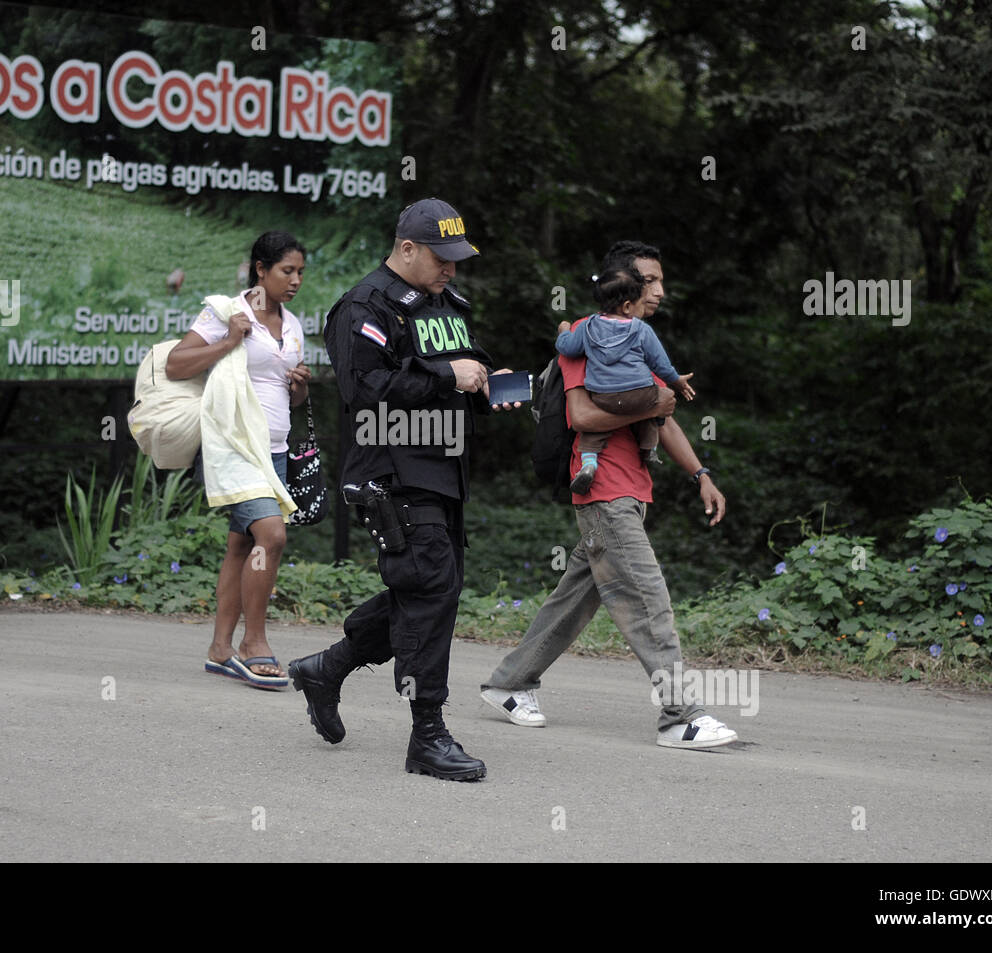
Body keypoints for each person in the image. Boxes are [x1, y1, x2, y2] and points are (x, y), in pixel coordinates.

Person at [290, 198, 521, 782]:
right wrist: (448, 375)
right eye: (441, 259)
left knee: (426, 589)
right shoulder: (364, 306)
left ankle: (328, 667)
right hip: (391, 469)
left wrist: (487, 386)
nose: (450, 270)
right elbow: (363, 389)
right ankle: (428, 734)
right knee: (430, 588)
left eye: (457, 260)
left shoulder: (446, 303)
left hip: (442, 467)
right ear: (407, 248)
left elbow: (462, 368)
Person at [480, 240, 738, 750]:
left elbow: (662, 418)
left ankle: (509, 684)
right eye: (650, 281)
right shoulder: (589, 336)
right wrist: (650, 405)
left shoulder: (638, 339)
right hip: (602, 490)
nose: (660, 291)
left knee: (575, 598)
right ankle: (680, 715)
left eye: (662, 281)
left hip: (632, 491)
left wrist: (701, 474)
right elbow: (583, 417)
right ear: (621, 285)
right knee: (647, 598)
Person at [165, 231, 311, 690]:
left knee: (241, 546)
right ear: (260, 269)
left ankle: (219, 648)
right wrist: (229, 340)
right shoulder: (227, 312)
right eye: (287, 271)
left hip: (276, 449)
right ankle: (254, 643)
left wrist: (300, 387)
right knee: (271, 534)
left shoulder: (293, 325)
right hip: (233, 445)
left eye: (301, 272)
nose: (295, 281)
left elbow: (289, 393)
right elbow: (176, 364)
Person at [555, 261, 695, 490]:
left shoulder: (586, 327)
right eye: (641, 303)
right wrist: (676, 381)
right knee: (662, 398)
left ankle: (589, 463)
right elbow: (661, 364)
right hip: (640, 395)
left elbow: (568, 348)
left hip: (603, 398)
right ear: (628, 307)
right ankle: (649, 447)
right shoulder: (640, 330)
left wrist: (563, 331)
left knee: (593, 428)